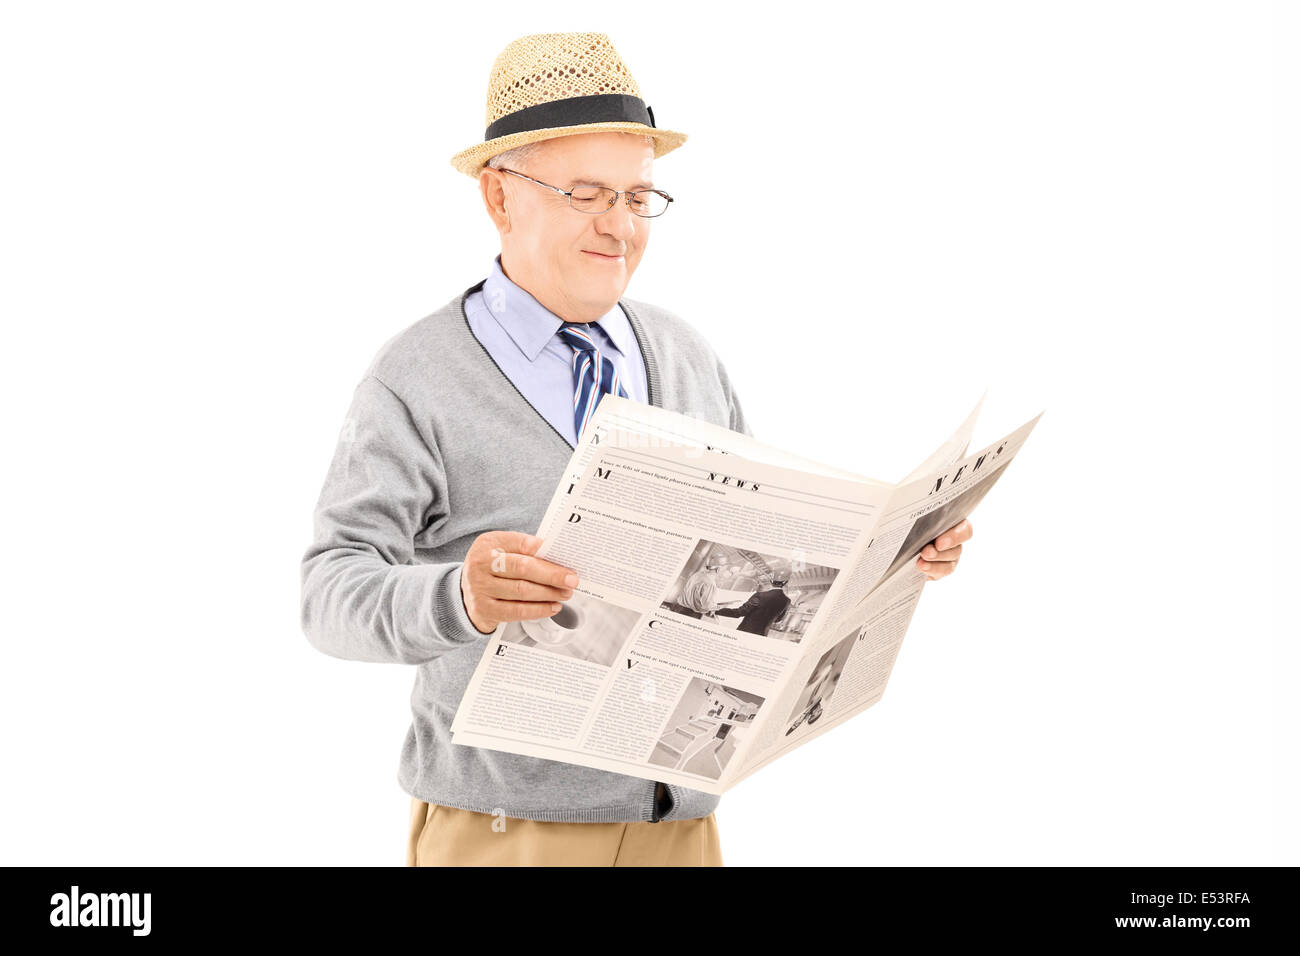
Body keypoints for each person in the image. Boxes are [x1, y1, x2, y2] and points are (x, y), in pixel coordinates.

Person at [299, 31, 974, 868]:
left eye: (637, 197)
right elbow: (329, 591)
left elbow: (759, 566)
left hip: (680, 828)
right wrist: (460, 598)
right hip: (509, 834)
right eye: (587, 193)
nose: (619, 227)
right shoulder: (416, 378)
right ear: (499, 197)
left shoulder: (686, 356)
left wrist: (891, 557)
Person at [713, 574, 793, 636]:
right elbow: (778, 620)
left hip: (745, 631)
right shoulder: (787, 601)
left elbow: (739, 613)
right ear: (785, 582)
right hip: (761, 635)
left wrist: (715, 610)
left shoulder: (760, 595)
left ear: (771, 580)